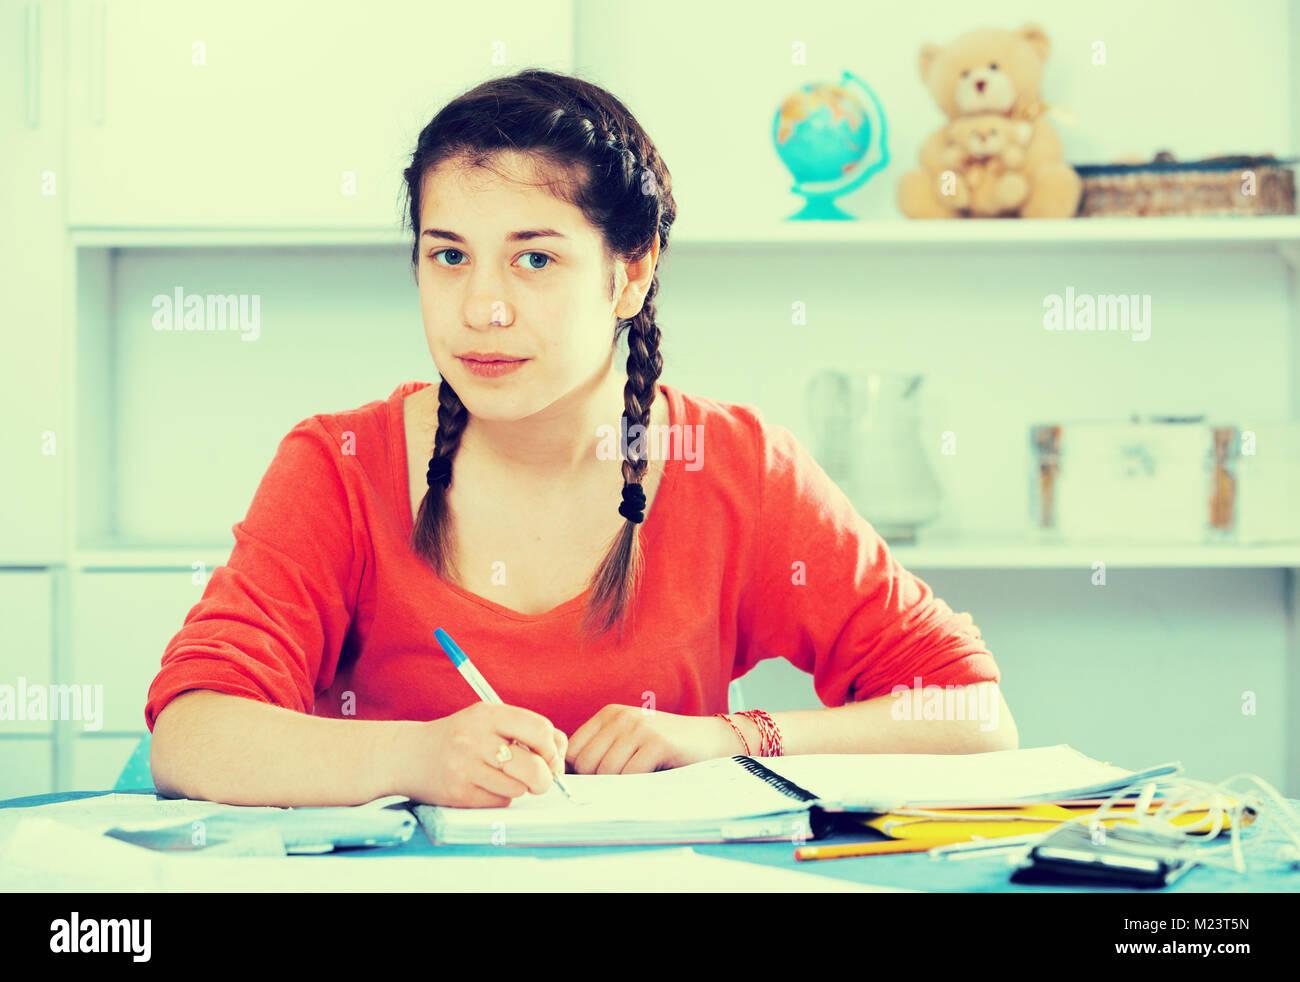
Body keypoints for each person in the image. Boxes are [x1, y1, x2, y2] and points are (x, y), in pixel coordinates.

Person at [147, 69, 1016, 809]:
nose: (482, 308)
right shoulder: (337, 466)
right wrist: (413, 759)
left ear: (630, 272)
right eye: (448, 256)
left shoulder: (738, 468)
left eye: (535, 259)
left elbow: (971, 715)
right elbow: (191, 732)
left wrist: (731, 738)